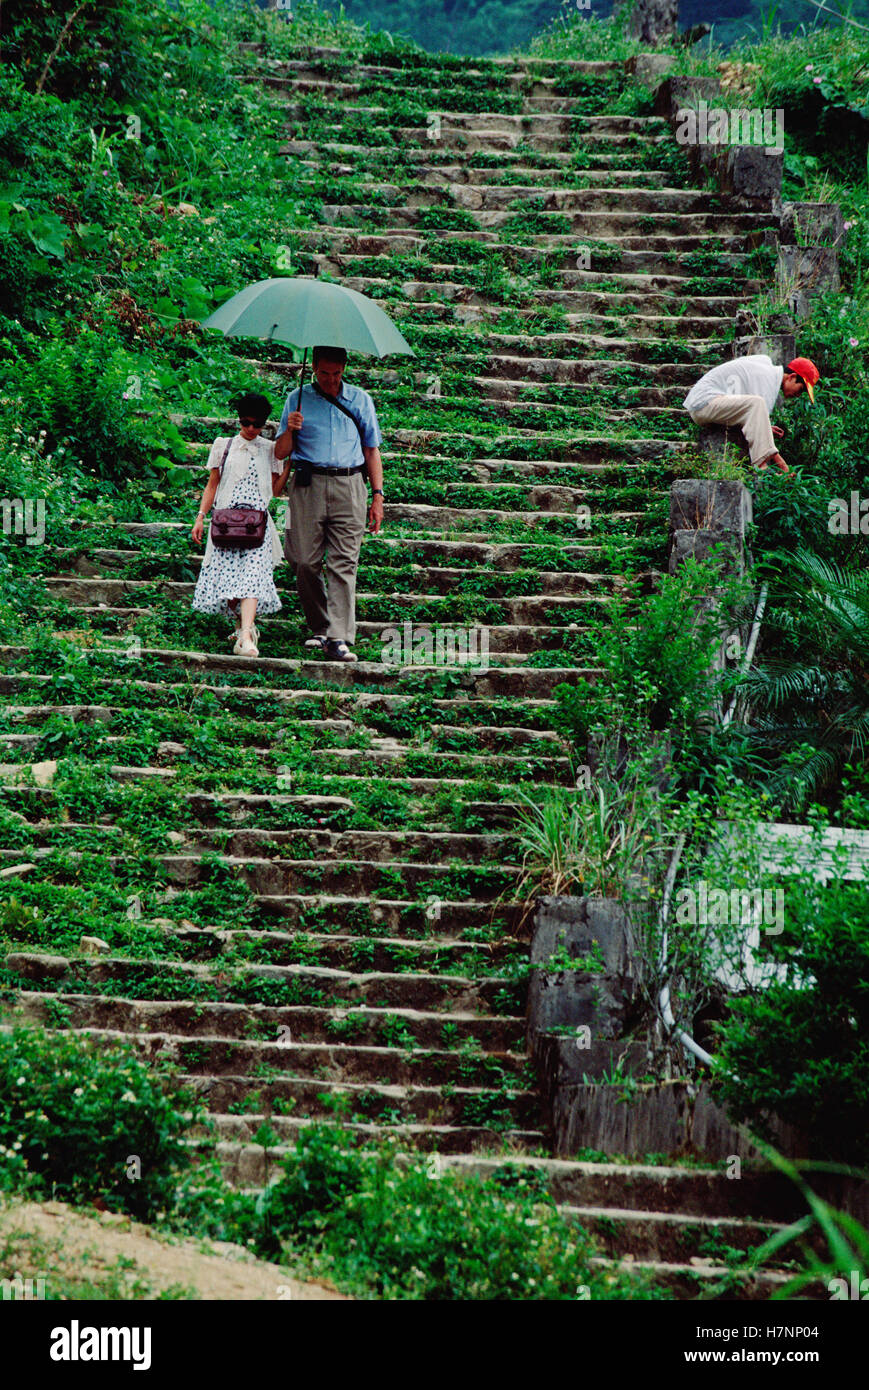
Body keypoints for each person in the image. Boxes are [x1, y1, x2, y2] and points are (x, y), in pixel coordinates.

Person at [274, 346, 384, 664]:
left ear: (344, 369)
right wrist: (291, 429)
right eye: (324, 373)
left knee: (343, 562)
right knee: (302, 560)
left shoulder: (360, 400)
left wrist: (377, 496)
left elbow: (371, 450)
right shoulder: (297, 399)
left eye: (336, 374)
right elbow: (280, 452)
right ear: (314, 370)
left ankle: (338, 637)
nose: (331, 380)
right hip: (307, 484)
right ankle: (319, 624)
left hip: (350, 485)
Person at [191, 392, 293, 657]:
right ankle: (242, 628)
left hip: (256, 524)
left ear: (264, 424)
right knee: (229, 580)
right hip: (226, 523)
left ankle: (246, 635)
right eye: (245, 422)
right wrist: (201, 516)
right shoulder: (223, 445)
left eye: (256, 424)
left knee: (253, 577)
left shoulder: (270, 449)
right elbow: (212, 484)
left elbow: (275, 490)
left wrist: (287, 467)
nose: (250, 428)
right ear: (238, 420)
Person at [683, 354, 820, 474]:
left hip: (708, 404)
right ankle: (761, 466)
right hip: (704, 403)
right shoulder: (767, 380)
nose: (798, 395)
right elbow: (755, 407)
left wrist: (765, 427)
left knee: (756, 405)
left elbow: (748, 411)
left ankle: (765, 465)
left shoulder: (767, 372)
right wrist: (783, 466)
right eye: (801, 389)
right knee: (757, 403)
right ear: (792, 377)